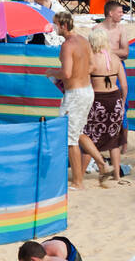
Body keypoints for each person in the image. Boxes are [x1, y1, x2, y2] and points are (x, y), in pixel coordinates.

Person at [47, 11, 112, 187]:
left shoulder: (67, 45)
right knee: (78, 132)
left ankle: (78, 182)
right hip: (87, 90)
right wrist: (79, 73)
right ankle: (102, 164)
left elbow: (66, 73)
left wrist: (53, 73)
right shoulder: (83, 40)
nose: (54, 29)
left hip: (75, 94)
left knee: (69, 138)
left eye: (55, 25)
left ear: (63, 26)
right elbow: (91, 65)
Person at [82, 26, 127, 179]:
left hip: (97, 100)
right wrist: (123, 101)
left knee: (90, 137)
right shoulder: (115, 58)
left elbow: (84, 82)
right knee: (114, 140)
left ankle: (80, 175)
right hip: (115, 99)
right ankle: (117, 175)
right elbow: (124, 85)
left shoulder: (91, 60)